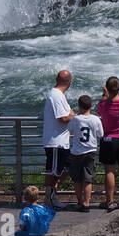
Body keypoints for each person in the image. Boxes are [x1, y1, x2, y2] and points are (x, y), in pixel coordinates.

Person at [96, 77, 119, 212]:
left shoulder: (103, 104)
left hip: (109, 139)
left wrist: (104, 95)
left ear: (107, 88)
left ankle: (110, 201)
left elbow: (100, 110)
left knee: (109, 171)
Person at [42, 69, 74, 209]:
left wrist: (70, 114)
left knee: (66, 168)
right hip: (56, 141)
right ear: (69, 82)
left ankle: (52, 194)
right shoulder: (56, 96)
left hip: (61, 141)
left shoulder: (58, 95)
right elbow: (63, 118)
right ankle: (49, 198)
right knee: (54, 172)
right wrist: (73, 116)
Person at [67, 94, 103, 211]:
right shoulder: (96, 119)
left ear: (79, 106)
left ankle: (79, 202)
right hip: (90, 151)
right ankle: (87, 203)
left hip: (76, 152)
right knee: (88, 179)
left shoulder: (76, 119)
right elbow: (100, 134)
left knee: (77, 179)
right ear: (91, 105)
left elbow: (69, 129)